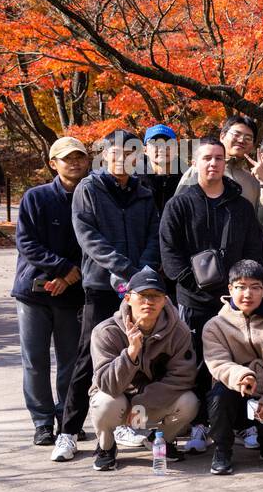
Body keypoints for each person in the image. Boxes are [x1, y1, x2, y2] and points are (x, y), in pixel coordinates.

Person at [54, 129, 160, 463]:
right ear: (103, 155)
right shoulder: (89, 188)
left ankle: (126, 424)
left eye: (130, 152)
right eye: (114, 152)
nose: (122, 158)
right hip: (101, 286)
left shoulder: (143, 192)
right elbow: (87, 235)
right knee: (87, 357)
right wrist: (127, 269)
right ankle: (68, 431)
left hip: (136, 289)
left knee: (137, 355)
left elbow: (154, 236)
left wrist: (140, 273)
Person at [159, 135, 263, 455]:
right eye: (206, 158)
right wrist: (195, 283)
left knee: (239, 361)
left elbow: (252, 253)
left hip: (233, 303)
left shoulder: (241, 206)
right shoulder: (180, 204)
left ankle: (243, 424)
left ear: (224, 164)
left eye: (218, 159)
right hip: (192, 300)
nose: (213, 164)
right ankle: (198, 424)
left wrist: (239, 290)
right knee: (194, 363)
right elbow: (170, 252)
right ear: (195, 163)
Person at [13, 136, 87, 446]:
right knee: (36, 360)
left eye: (79, 157)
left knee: (71, 360)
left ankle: (68, 420)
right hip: (33, 291)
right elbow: (27, 242)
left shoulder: (92, 196)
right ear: (52, 163)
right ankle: (42, 422)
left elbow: (93, 243)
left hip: (72, 291)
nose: (74, 162)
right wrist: (59, 270)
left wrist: (70, 277)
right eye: (66, 157)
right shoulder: (36, 197)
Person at [87, 267, 198, 471]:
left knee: (189, 402)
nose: (149, 302)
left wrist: (141, 404)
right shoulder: (105, 331)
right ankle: (107, 447)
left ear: (164, 300)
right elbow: (105, 383)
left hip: (152, 401)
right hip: (118, 398)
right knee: (104, 402)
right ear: (128, 298)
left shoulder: (179, 331)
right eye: (143, 295)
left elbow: (184, 376)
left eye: (156, 296)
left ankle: (161, 441)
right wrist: (131, 353)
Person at [202, 259, 263, 475]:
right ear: (230, 289)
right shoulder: (215, 326)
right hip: (236, 390)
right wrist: (243, 375)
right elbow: (218, 363)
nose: (248, 294)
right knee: (219, 395)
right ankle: (222, 450)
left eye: (255, 287)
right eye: (241, 287)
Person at [176, 116, 263, 226]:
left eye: (248, 138)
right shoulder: (199, 170)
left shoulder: (252, 180)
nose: (241, 140)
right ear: (222, 136)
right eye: (236, 134)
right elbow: (176, 210)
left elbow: (262, 223)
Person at [139, 125, 183, 215]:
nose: (162, 149)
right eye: (156, 144)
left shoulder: (187, 181)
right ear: (145, 150)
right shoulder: (134, 182)